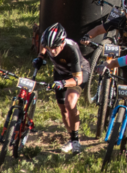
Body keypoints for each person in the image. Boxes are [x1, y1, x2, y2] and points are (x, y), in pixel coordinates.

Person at [35, 24, 89, 153]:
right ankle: (71, 138)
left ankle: (76, 140)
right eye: (49, 48)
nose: (51, 51)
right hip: (60, 73)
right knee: (63, 109)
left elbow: (78, 79)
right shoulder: (48, 44)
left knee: (70, 103)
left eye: (54, 47)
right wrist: (40, 57)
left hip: (78, 73)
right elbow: (43, 45)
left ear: (62, 42)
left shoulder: (71, 49)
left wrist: (63, 83)